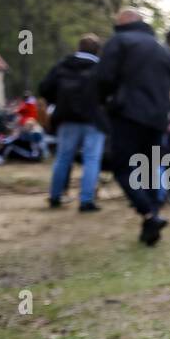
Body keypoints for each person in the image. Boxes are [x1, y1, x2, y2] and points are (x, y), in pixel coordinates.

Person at [96, 7, 170, 245]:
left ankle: (149, 213)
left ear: (122, 22)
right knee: (149, 169)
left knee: (122, 167)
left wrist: (106, 103)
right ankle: (150, 224)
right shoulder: (163, 50)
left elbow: (103, 79)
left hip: (127, 115)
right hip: (157, 118)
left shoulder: (119, 42)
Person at [39, 33, 108, 212]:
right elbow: (110, 92)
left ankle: (55, 196)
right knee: (92, 159)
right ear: (98, 51)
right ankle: (86, 200)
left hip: (67, 117)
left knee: (63, 157)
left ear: (78, 48)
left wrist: (59, 101)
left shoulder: (62, 65)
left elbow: (45, 88)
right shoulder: (101, 68)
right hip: (94, 118)